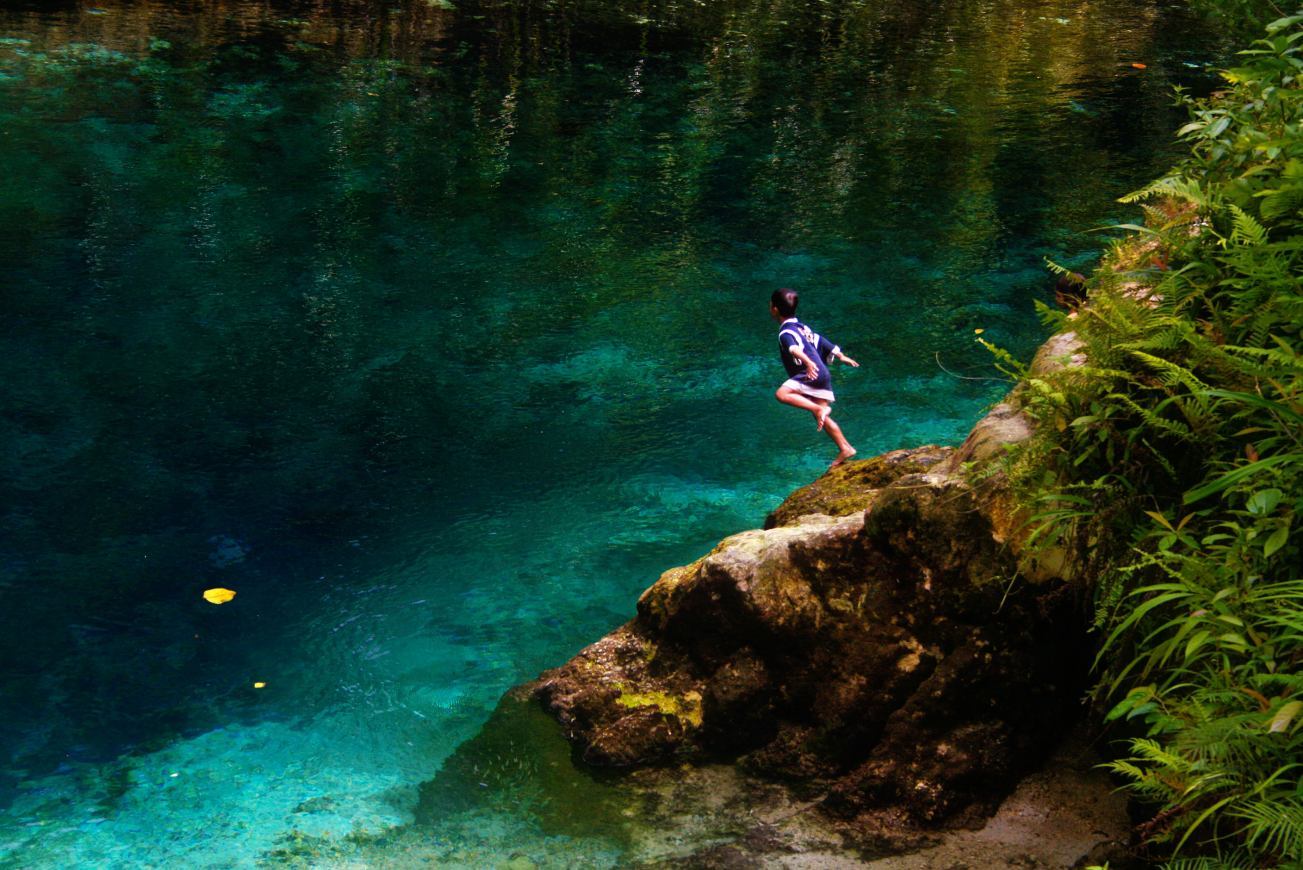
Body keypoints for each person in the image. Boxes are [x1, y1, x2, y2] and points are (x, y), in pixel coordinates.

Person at [769, 288, 858, 467]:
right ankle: (845, 448)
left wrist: (808, 363)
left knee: (782, 394)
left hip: (811, 373)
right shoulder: (803, 328)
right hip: (822, 374)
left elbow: (794, 349)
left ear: (775, 309)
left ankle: (818, 410)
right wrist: (841, 356)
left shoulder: (785, 333)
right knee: (823, 417)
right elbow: (820, 340)